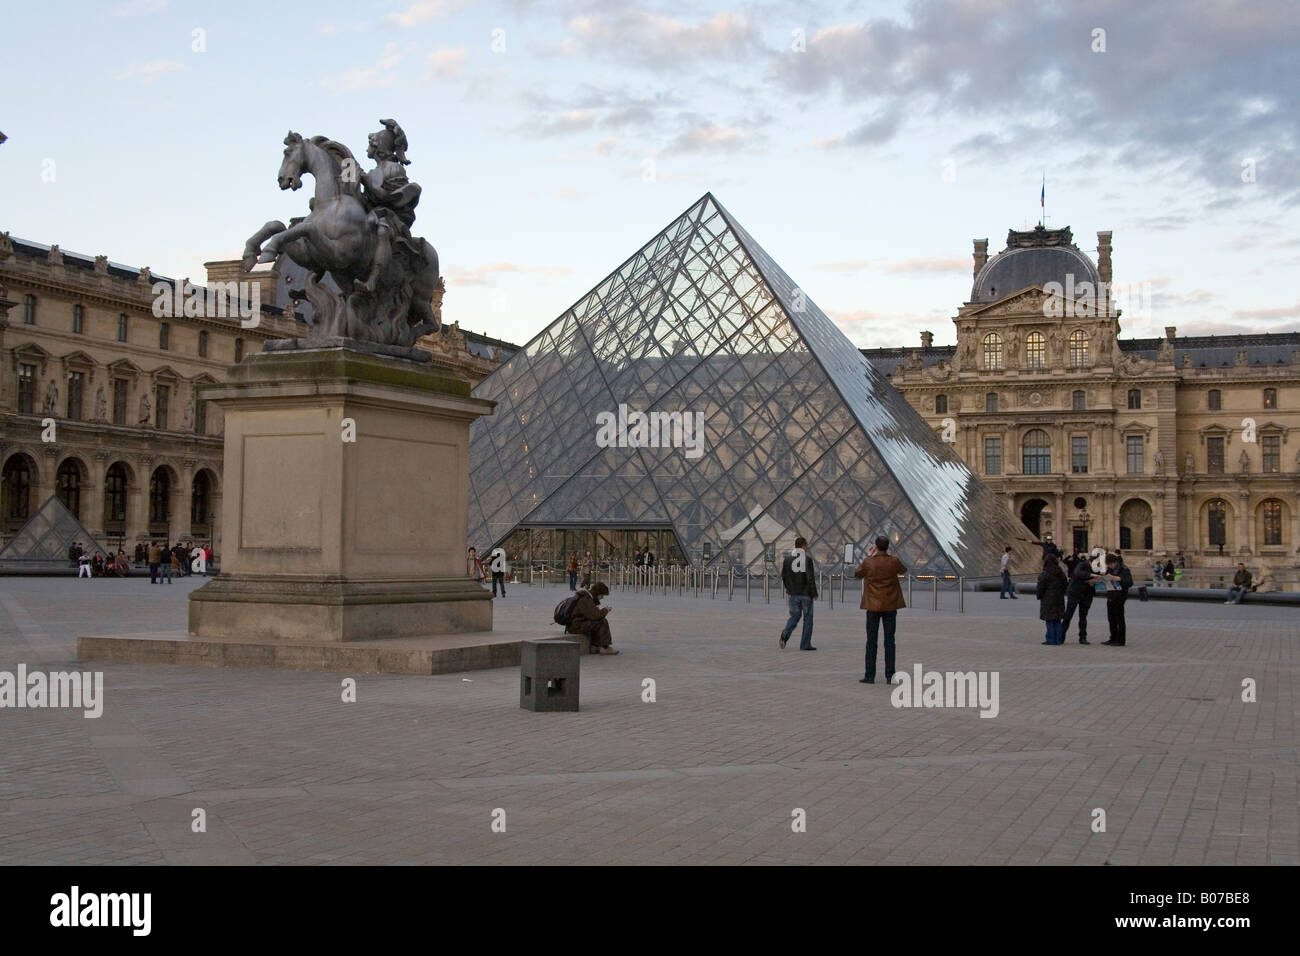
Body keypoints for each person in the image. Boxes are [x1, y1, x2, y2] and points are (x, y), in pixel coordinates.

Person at [855, 535, 906, 683]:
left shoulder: (869, 562)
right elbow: (903, 570)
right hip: (890, 605)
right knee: (890, 641)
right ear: (888, 546)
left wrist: (869, 556)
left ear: (876, 547)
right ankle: (890, 676)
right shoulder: (894, 561)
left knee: (871, 641)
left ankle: (869, 675)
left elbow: (857, 574)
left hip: (873, 606)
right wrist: (890, 557)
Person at [778, 536, 818, 651]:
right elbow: (810, 578)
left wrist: (788, 588)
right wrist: (814, 592)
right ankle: (805, 644)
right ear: (804, 546)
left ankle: (786, 632)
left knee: (794, 616)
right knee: (808, 619)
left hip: (793, 594)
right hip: (806, 594)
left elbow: (784, 576)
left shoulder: (788, 559)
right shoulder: (808, 559)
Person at [566, 581, 619, 655]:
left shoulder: (588, 597)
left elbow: (591, 614)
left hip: (576, 624)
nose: (602, 598)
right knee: (602, 622)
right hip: (575, 626)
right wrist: (605, 610)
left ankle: (594, 646)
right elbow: (596, 616)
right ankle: (605, 647)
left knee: (596, 622)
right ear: (598, 594)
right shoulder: (586, 599)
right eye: (602, 595)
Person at [1063, 553, 1096, 644]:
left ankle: (1083, 637)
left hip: (1087, 594)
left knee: (1083, 617)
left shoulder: (1097, 568)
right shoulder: (1082, 564)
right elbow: (1078, 573)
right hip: (1075, 593)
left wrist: (1095, 581)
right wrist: (1090, 576)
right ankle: (1061, 635)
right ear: (1090, 561)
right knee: (1068, 616)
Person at [1101, 553, 1133, 646]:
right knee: (1111, 618)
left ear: (1114, 562)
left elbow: (1129, 582)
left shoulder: (1124, 569)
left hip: (1120, 596)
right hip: (1111, 595)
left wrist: (1119, 578)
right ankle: (1113, 638)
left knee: (1119, 618)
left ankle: (1121, 640)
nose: (1109, 566)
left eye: (1110, 564)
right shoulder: (1110, 569)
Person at [1036, 554, 1068, 645]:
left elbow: (1040, 588)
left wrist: (1039, 596)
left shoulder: (1044, 574)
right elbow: (1065, 585)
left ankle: (1050, 639)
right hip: (1059, 598)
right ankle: (1058, 639)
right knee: (1057, 620)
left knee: (1049, 620)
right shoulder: (1061, 573)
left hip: (1048, 599)